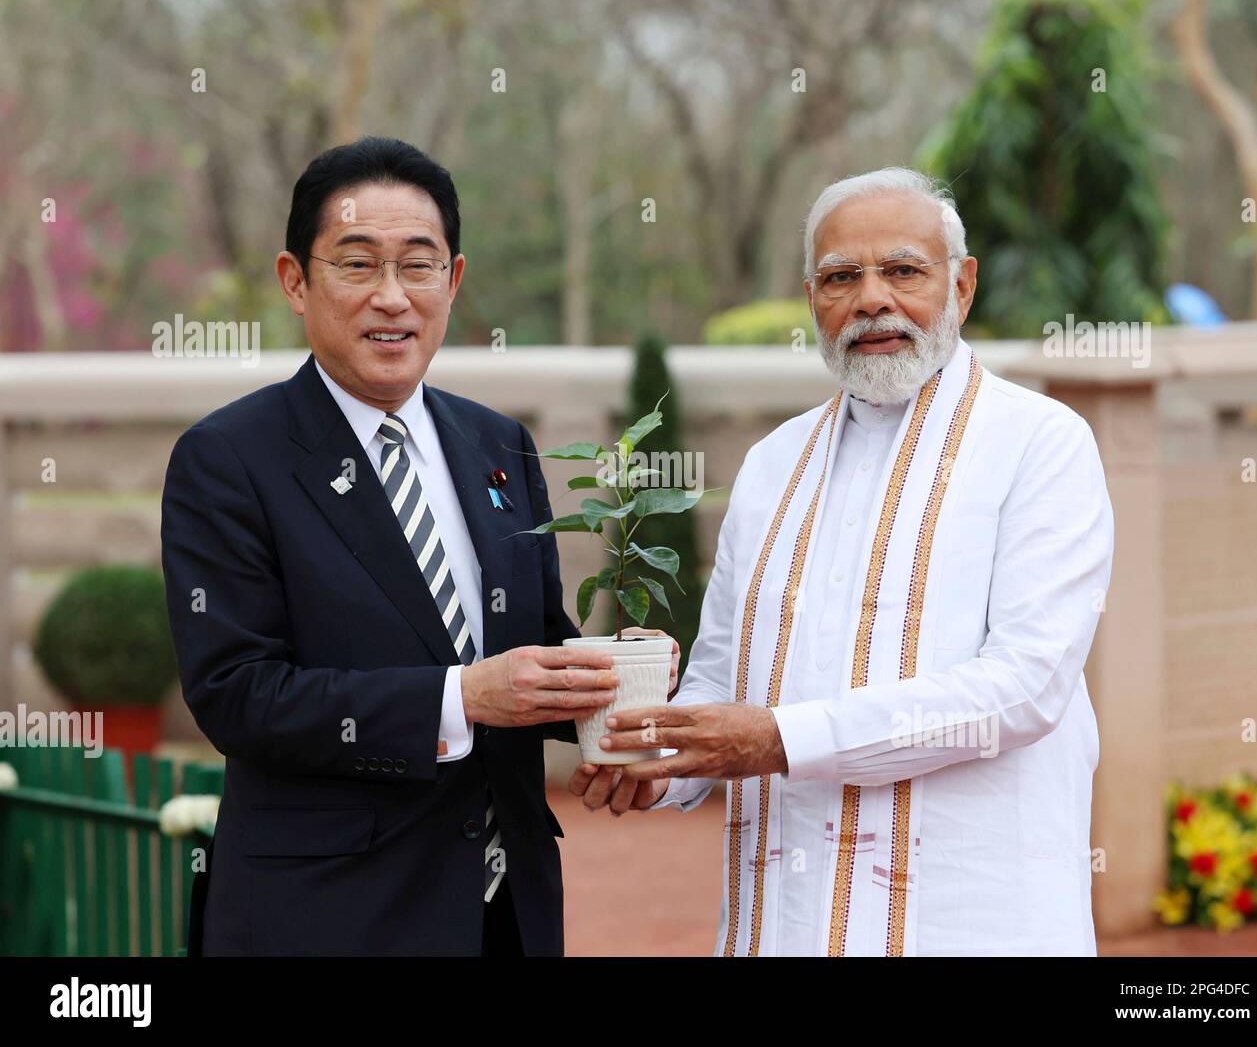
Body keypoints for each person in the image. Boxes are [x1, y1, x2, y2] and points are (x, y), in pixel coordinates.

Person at [572, 167, 1114, 957]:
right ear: (811, 301)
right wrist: (662, 766)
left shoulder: (1040, 443)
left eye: (902, 270)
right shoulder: (772, 463)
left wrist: (781, 739)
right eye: (840, 277)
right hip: (785, 921)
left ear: (961, 286)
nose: (871, 300)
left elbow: (1024, 687)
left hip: (971, 923)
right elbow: (726, 677)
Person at [162, 136, 619, 956]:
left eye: (417, 265)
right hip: (327, 914)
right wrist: (461, 698)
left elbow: (526, 649)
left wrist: (617, 687)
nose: (391, 298)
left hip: (505, 908)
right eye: (356, 264)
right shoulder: (230, 457)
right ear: (295, 281)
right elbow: (238, 693)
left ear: (454, 280)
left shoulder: (496, 442)